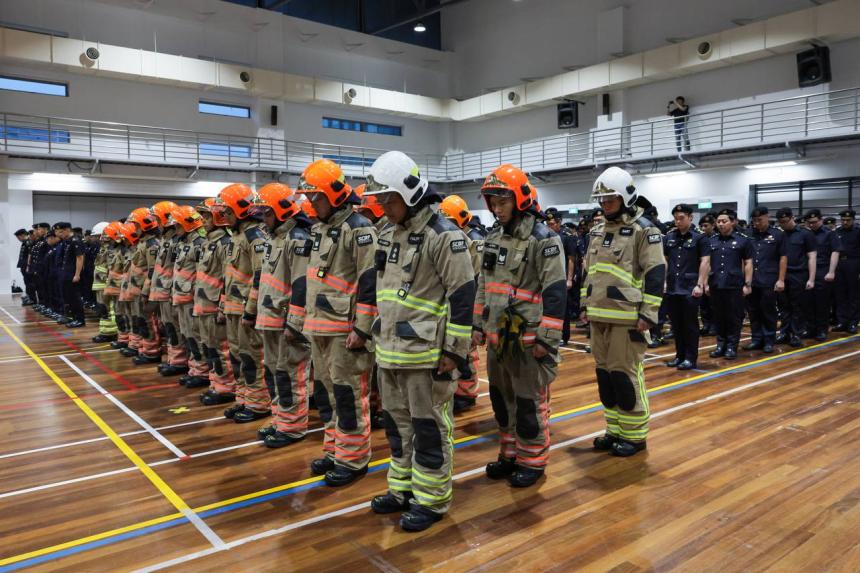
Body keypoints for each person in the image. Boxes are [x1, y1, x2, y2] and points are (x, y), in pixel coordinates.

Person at [364, 151, 475, 531]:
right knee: (397, 426)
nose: (383, 207)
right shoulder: (388, 233)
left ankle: (431, 499)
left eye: (388, 199)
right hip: (391, 352)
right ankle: (403, 489)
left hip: (428, 356)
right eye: (379, 201)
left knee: (428, 428)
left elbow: (463, 295)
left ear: (410, 194)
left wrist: (454, 353)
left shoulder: (445, 237)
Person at [474, 164, 565, 484]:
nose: (496, 209)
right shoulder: (492, 237)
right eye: (492, 202)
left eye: (502, 202)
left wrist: (547, 338)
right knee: (501, 400)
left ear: (520, 199)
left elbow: (555, 291)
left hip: (528, 339)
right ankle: (509, 454)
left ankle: (533, 460)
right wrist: (476, 324)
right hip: (498, 338)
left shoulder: (545, 239)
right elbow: (484, 284)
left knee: (529, 402)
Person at [296, 159, 378, 488]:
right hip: (320, 328)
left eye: (315, 198)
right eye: (309, 198)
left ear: (334, 194)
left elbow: (369, 280)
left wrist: (363, 328)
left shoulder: (360, 229)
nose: (310, 204)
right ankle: (334, 449)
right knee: (326, 394)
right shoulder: (321, 228)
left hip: (346, 331)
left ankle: (353, 458)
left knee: (347, 395)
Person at [581, 167, 665, 456]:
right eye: (602, 201)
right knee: (606, 377)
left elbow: (656, 273)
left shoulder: (645, 230)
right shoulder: (597, 230)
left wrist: (649, 314)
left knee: (625, 376)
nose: (605, 206)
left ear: (627, 197)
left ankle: (635, 435)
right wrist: (584, 305)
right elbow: (588, 273)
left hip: (627, 317)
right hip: (598, 316)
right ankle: (614, 430)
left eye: (610, 201)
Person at [253, 183, 314, 449]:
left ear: (282, 211)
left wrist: (295, 323)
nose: (263, 218)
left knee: (291, 374)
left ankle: (292, 426)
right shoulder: (274, 237)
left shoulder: (297, 238)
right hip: (270, 318)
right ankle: (280, 419)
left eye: (267, 212)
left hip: (286, 320)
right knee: (274, 372)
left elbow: (302, 284)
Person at [216, 184, 271, 424]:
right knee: (238, 356)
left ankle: (259, 404)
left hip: (247, 309)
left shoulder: (255, 236)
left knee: (252, 357)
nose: (224, 217)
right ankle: (244, 398)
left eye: (227, 212)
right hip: (233, 307)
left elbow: (261, 275)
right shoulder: (236, 237)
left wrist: (251, 310)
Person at [440, 194, 486, 414]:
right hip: (452, 300)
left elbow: (476, 278)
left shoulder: (474, 241)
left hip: (470, 299)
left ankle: (467, 393)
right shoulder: (451, 239)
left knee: (468, 351)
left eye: (450, 220)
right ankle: (459, 389)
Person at [196, 199, 239, 407]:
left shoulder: (225, 244)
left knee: (221, 349)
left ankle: (226, 387)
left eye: (206, 217)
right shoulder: (208, 243)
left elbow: (227, 278)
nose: (202, 221)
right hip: (203, 302)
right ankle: (216, 383)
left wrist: (222, 305)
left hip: (215, 305)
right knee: (210, 347)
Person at [663, 204, 710, 370]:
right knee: (676, 325)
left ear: (690, 217)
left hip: (690, 287)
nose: (678, 221)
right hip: (673, 287)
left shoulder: (700, 238)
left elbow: (705, 261)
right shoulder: (669, 237)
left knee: (690, 325)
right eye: (675, 218)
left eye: (681, 218)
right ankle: (679, 355)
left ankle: (691, 358)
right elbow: (665, 260)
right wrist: (664, 282)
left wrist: (700, 284)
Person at [170, 205, 211, 388]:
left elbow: (202, 273)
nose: (175, 230)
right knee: (187, 334)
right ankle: (194, 369)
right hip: (181, 295)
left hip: (192, 297)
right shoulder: (183, 243)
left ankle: (202, 372)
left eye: (178, 226)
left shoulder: (200, 243)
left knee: (196, 335)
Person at [705, 209, 753, 359]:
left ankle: (732, 347)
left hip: (734, 284)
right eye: (718, 222)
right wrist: (705, 283)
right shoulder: (711, 240)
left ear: (733, 222)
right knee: (718, 317)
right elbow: (707, 264)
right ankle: (720, 345)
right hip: (716, 284)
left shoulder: (742, 240)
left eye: (724, 221)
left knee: (734, 317)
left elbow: (748, 263)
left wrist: (748, 284)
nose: (720, 224)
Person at [148, 201, 188, 378]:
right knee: (169, 326)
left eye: (157, 218)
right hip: (163, 290)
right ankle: (174, 358)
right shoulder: (166, 239)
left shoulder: (176, 240)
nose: (155, 223)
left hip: (173, 290)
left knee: (176, 327)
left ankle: (180, 361)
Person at [120, 208, 163, 363]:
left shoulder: (152, 245)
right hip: (137, 290)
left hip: (144, 292)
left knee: (148, 322)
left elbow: (152, 271)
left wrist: (146, 293)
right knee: (141, 321)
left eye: (137, 226)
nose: (135, 229)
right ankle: (144, 348)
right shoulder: (143, 243)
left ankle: (152, 351)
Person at [744, 207, 786, 353]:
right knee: (753, 311)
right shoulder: (748, 234)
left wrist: (781, 279)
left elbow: (783, 258)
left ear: (767, 217)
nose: (757, 223)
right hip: (752, 280)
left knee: (768, 311)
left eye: (760, 220)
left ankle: (769, 340)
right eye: (754, 220)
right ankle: (756, 339)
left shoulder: (777, 235)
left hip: (769, 278)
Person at [775, 208, 816, 347]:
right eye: (780, 222)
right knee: (783, 306)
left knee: (797, 306)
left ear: (792, 218)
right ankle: (784, 333)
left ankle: (796, 334)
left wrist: (811, 278)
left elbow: (812, 257)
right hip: (782, 274)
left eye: (785, 222)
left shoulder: (805, 234)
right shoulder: (779, 235)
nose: (783, 225)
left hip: (799, 274)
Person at [544, 208, 579, 347]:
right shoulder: (545, 235)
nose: (549, 226)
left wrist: (569, 279)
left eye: (551, 223)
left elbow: (571, 259)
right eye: (547, 223)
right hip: (548, 277)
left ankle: (564, 336)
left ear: (559, 222)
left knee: (563, 309)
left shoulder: (567, 236)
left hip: (562, 277)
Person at [803, 209, 840, 341]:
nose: (812, 225)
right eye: (809, 223)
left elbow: (835, 252)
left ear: (821, 219)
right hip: (807, 271)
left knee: (822, 303)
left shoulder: (829, 234)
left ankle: (822, 330)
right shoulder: (806, 234)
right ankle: (810, 329)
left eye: (814, 222)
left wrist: (831, 271)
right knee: (808, 302)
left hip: (823, 269)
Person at [89, 222, 119, 342]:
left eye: (97, 236)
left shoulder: (111, 249)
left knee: (108, 310)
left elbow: (111, 267)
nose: (96, 239)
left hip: (105, 284)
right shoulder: (103, 249)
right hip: (99, 284)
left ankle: (110, 333)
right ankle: (105, 331)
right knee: (103, 309)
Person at [54, 222, 87, 328]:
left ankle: (80, 319)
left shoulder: (75, 241)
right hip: (66, 273)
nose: (59, 234)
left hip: (72, 273)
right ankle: (74, 317)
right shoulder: (66, 241)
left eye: (61, 231)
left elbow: (80, 258)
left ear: (68, 230)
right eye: (58, 232)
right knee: (69, 297)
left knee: (75, 297)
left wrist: (77, 274)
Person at [834, 209, 860, 334]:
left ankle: (853, 322)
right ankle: (842, 321)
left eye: (848, 220)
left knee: (853, 295)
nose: (845, 222)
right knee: (840, 294)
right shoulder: (837, 232)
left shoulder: (858, 231)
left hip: (854, 264)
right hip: (839, 264)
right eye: (843, 220)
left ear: (853, 220)